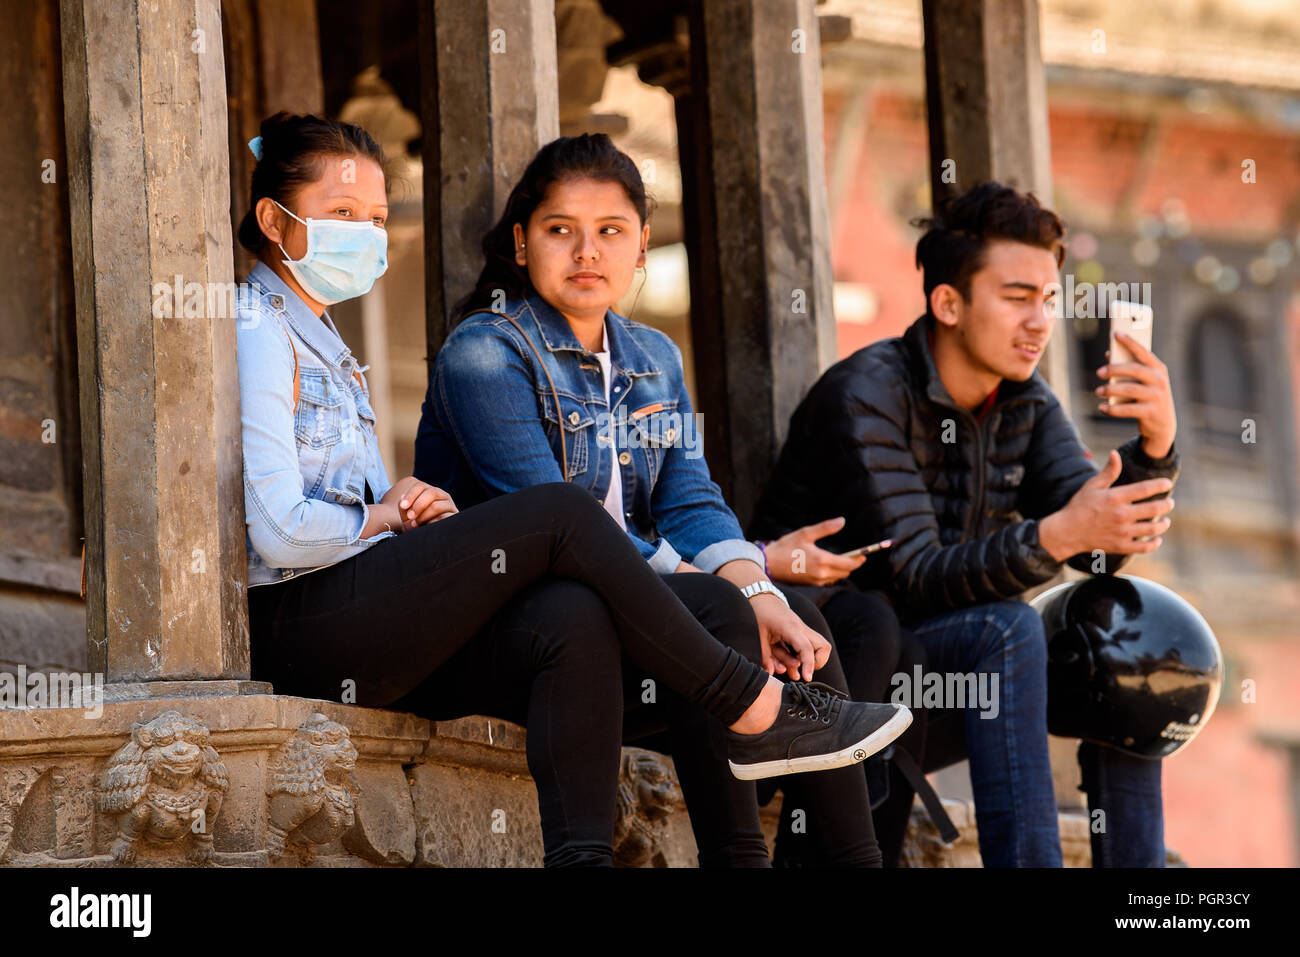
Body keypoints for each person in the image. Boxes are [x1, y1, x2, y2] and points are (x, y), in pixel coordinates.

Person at [235, 112, 907, 868]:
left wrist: (758, 588)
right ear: (521, 242)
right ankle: (757, 709)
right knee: (595, 535)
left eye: (378, 219)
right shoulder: (469, 351)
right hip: (318, 615)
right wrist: (383, 514)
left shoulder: (648, 356)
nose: (589, 251)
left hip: (490, 610)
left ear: (644, 244)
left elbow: (690, 499)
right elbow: (280, 530)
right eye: (342, 215)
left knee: (745, 610)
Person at [750, 181, 1180, 867]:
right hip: (839, 671)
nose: (1040, 321)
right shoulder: (867, 393)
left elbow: (1099, 548)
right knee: (1005, 628)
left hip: (957, 672)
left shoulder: (1026, 402)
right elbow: (915, 576)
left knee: (1132, 633)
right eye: (1016, 298)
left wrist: (1156, 447)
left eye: (1047, 300)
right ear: (948, 302)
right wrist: (1061, 533)